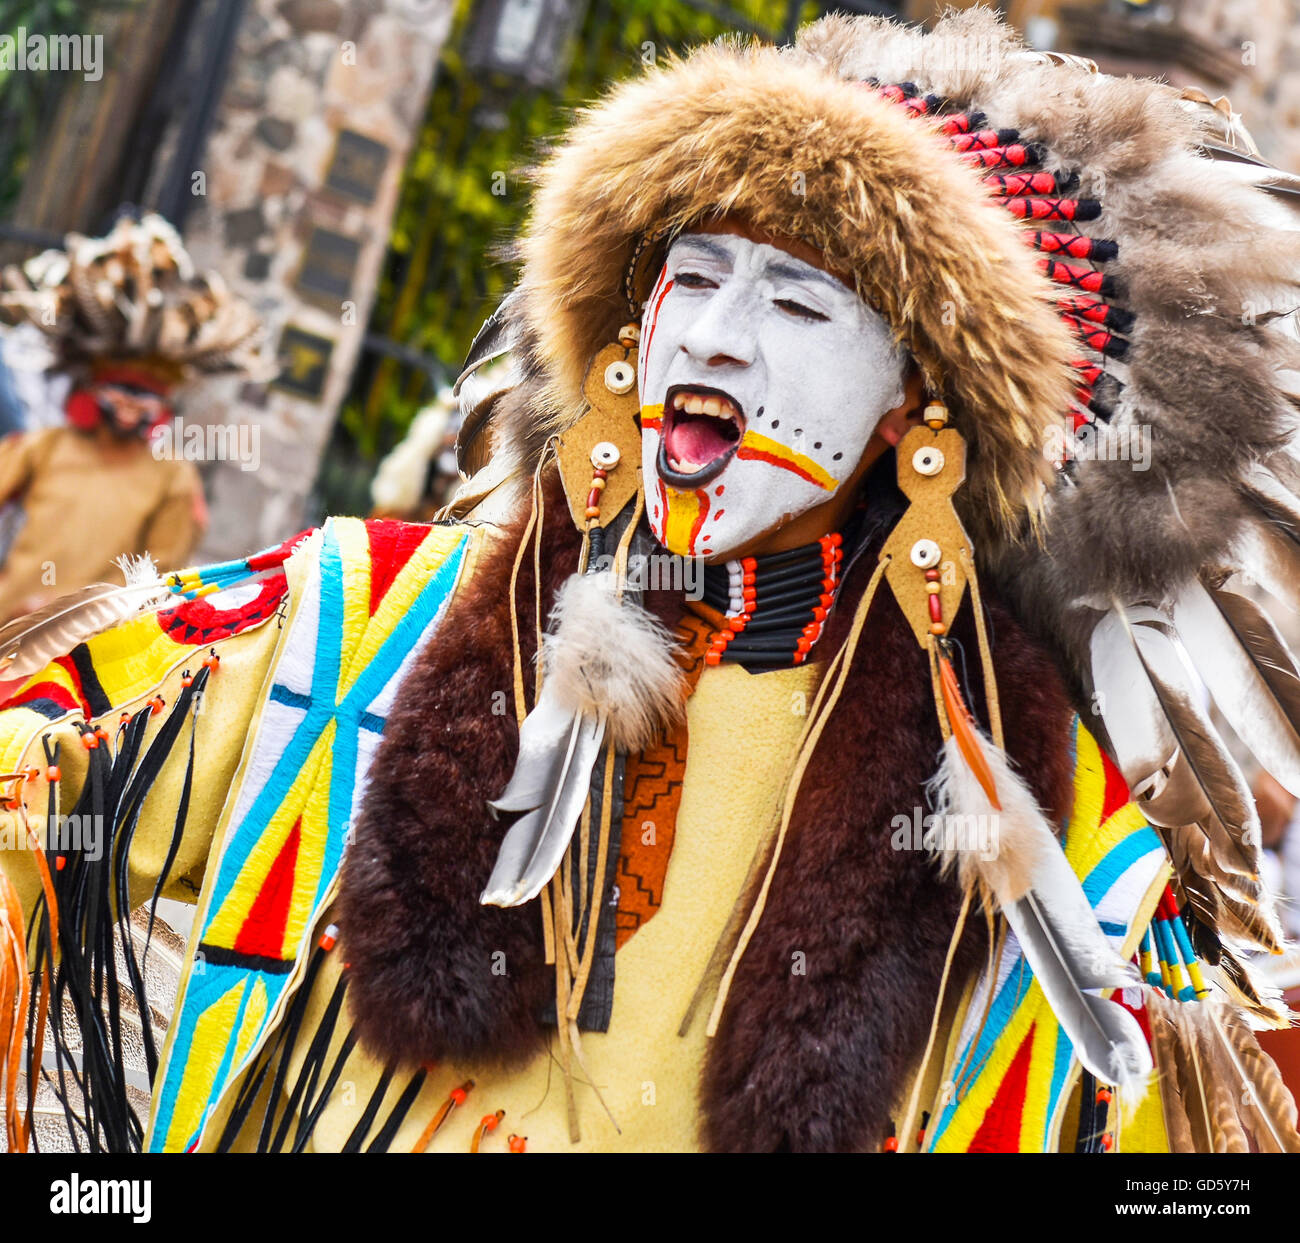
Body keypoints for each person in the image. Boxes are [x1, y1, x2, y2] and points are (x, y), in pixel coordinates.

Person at [0, 10, 1298, 1154]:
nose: (718, 336)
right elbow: (40, 768)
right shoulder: (355, 626)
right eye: (692, 276)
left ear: (920, 408)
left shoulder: (1053, 850)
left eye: (799, 307)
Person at [0, 213, 264, 622]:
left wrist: (70, 616)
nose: (127, 407)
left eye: (143, 398)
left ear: (163, 405)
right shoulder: (46, 446)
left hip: (79, 659)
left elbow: (158, 586)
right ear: (92, 390)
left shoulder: (173, 479)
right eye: (120, 391)